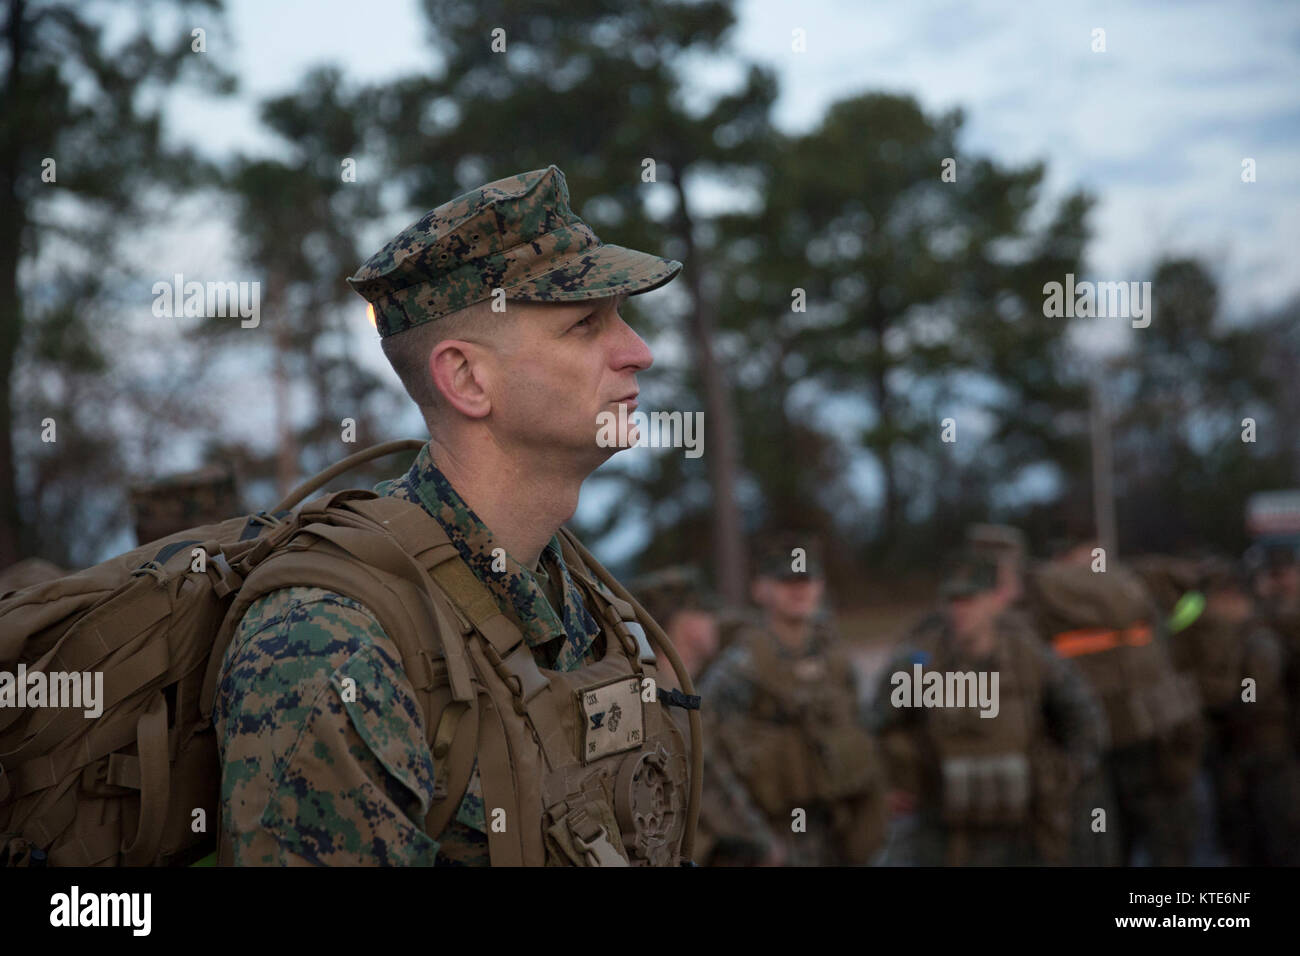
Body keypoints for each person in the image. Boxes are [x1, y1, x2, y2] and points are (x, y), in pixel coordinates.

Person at [211, 165, 697, 866]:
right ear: (467, 379)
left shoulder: (581, 595)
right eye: (586, 323)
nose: (638, 351)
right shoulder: (328, 642)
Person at [870, 541, 1104, 866]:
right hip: (945, 832)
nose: (960, 610)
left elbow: (1084, 719)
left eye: (970, 599)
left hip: (1021, 829)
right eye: (952, 600)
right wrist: (885, 785)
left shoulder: (1030, 657)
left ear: (995, 601)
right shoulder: (919, 662)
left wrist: (1067, 776)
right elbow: (874, 726)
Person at [697, 536, 886, 866]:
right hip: (773, 839)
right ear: (760, 590)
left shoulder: (837, 663)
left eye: (806, 579)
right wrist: (757, 840)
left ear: (821, 586)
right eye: (785, 581)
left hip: (835, 835)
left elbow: (863, 735)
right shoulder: (741, 667)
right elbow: (704, 756)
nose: (798, 590)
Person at [1025, 536, 1203, 866]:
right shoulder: (1131, 583)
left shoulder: (1043, 590)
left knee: (1102, 838)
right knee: (1165, 836)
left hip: (1090, 734)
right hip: (1150, 723)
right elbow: (1190, 594)